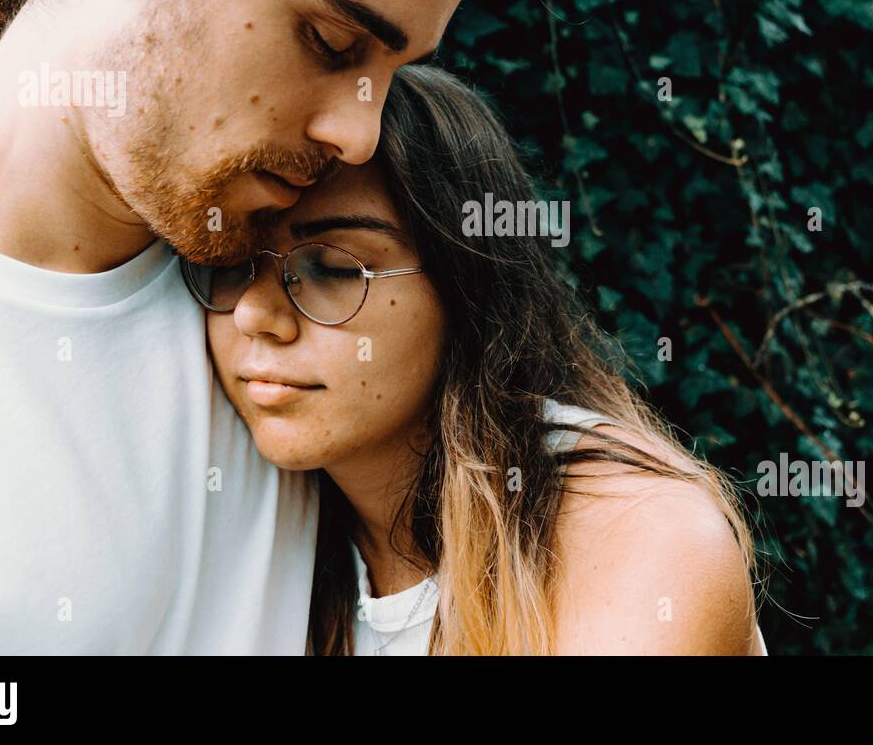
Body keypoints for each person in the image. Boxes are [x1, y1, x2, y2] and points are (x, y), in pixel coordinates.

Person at [0, 0, 540, 653]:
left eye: (393, 71)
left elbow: (530, 460)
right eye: (333, 44)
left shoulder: (309, 318)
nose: (358, 132)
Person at [192, 65, 767, 654]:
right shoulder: (259, 529)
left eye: (334, 269)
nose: (254, 315)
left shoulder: (637, 534)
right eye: (233, 264)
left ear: (465, 285)